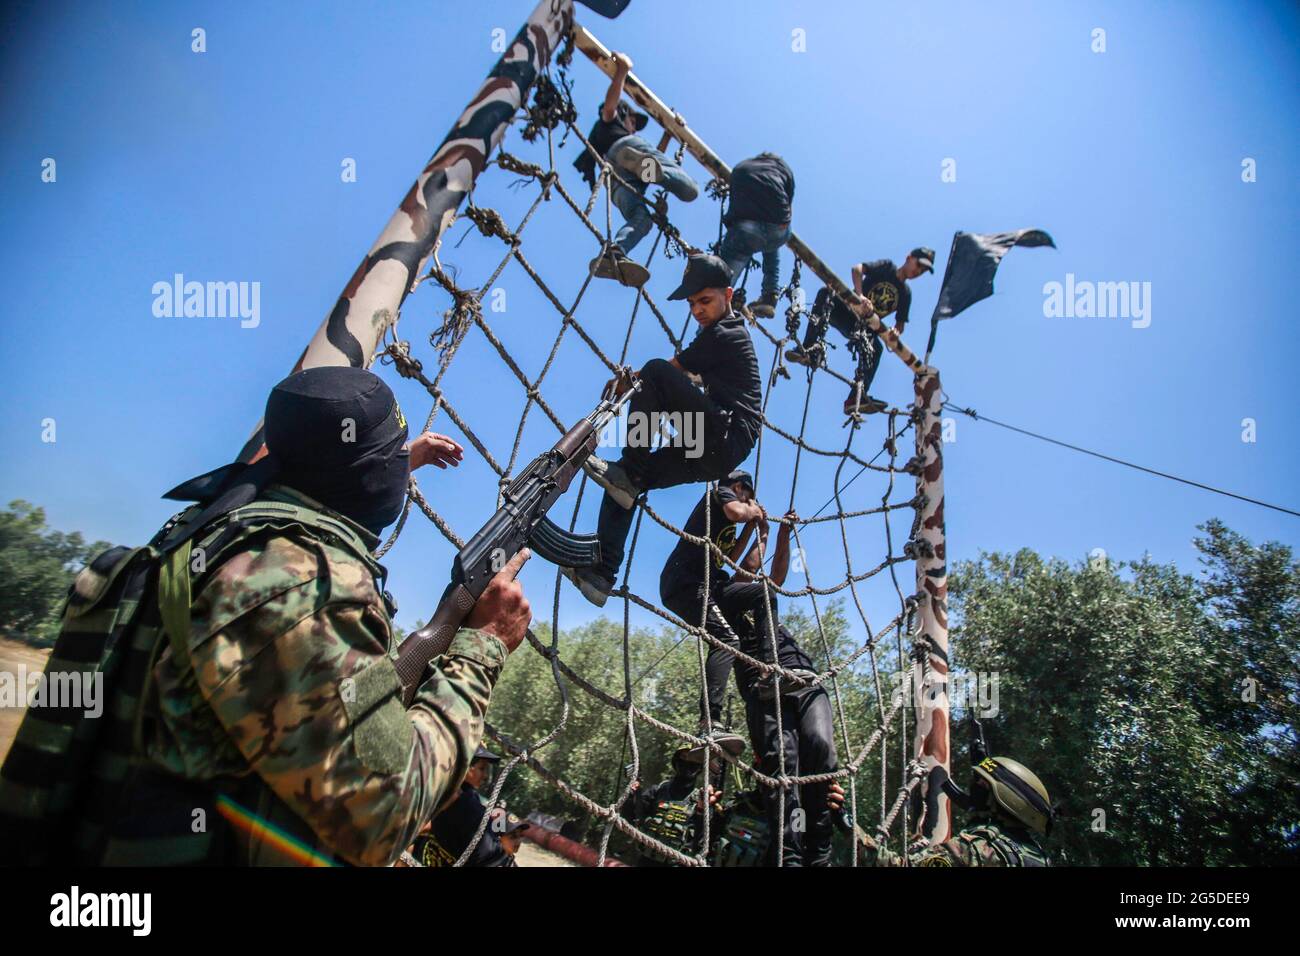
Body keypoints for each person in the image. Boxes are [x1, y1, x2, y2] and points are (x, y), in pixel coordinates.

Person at [0, 366, 533, 867]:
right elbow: (383, 815)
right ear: (368, 473)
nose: (401, 465)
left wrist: (387, 461)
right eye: (394, 457)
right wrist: (483, 644)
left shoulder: (210, 531)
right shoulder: (304, 586)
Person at [563, 254, 762, 607]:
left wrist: (630, 382)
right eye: (691, 304)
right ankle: (602, 574)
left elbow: (671, 370)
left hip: (724, 436)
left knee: (653, 372)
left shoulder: (727, 333)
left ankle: (629, 468)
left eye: (705, 301)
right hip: (713, 455)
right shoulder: (715, 336)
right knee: (628, 480)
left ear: (728, 295)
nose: (697, 310)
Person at [727, 505, 840, 867]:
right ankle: (790, 856)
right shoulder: (724, 603)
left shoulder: (762, 603)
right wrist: (759, 532)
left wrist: (779, 533)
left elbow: (772, 576)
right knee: (783, 766)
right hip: (761, 683)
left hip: (799, 674)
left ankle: (818, 848)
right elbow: (748, 573)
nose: (750, 572)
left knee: (821, 751)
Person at [658, 470, 768, 754]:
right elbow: (735, 510)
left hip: (709, 582)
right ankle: (710, 720)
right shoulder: (719, 494)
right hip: (685, 582)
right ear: (739, 488)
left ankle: (769, 671)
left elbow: (735, 563)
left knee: (760, 594)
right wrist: (751, 510)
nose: (749, 501)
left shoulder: (729, 524)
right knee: (728, 641)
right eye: (748, 495)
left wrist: (760, 529)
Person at [574, 50, 699, 288]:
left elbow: (654, 161)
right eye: (633, 120)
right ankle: (649, 170)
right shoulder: (610, 124)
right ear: (624, 117)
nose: (635, 126)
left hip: (617, 181)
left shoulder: (602, 144)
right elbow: (609, 108)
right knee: (690, 190)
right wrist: (622, 70)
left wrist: (669, 133)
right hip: (625, 153)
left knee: (642, 219)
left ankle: (616, 252)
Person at [786, 248, 935, 415]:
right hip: (848, 311)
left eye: (922, 271)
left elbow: (900, 324)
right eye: (918, 265)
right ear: (909, 258)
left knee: (876, 349)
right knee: (825, 294)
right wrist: (860, 295)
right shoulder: (888, 268)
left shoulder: (905, 293)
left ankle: (856, 398)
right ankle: (809, 349)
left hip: (863, 328)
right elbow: (857, 269)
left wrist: (896, 332)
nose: (918, 271)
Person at [853, 756, 1054, 866]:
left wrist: (848, 826)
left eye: (982, 786)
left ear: (1003, 800)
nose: (974, 789)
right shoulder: (1037, 855)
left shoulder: (976, 847)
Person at [409, 745, 514, 867]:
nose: (485, 776)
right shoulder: (461, 799)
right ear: (464, 766)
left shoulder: (468, 798)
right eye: (482, 768)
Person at [718, 152, 795, 318]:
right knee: (773, 241)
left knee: (721, 285)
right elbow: (788, 206)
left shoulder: (742, 165)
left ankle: (707, 332)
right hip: (777, 231)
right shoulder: (784, 169)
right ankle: (770, 295)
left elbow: (735, 201)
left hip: (745, 230)